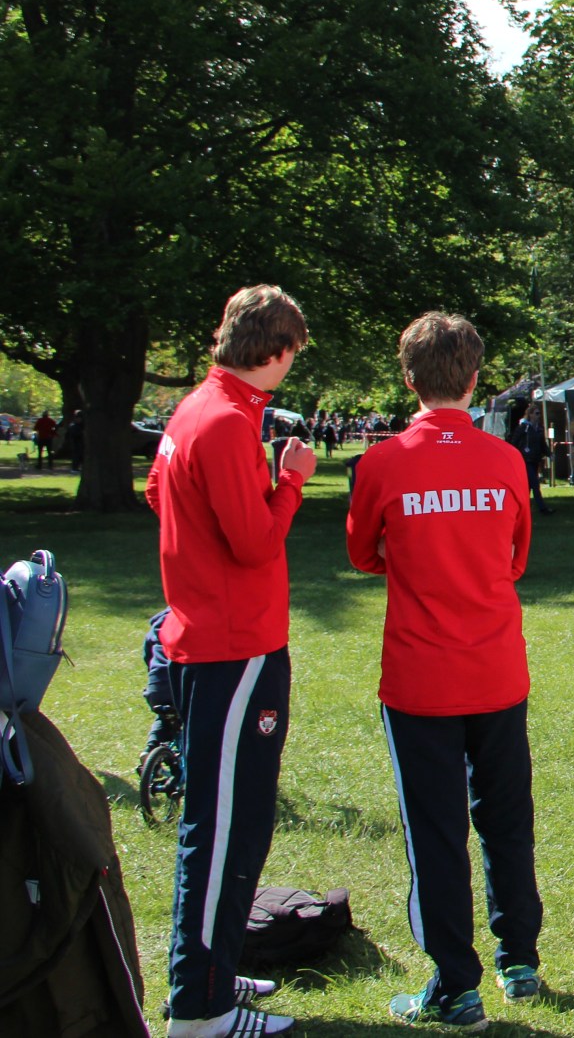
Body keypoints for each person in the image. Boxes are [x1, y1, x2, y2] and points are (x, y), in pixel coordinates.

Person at [345, 312, 542, 1028]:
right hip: (494, 670)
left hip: (422, 679)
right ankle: (519, 958)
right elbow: (516, 557)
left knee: (435, 831)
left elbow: (363, 553)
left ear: (408, 379)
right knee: (506, 820)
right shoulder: (506, 461)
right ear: (475, 377)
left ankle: (457, 984)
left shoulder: (384, 461)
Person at [146, 285, 315, 1038]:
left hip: (209, 635)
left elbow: (157, 489)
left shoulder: (197, 409)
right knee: (223, 828)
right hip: (231, 645)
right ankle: (200, 1006)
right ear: (275, 350)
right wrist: (290, 483)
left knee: (234, 820)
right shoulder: (221, 422)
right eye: (292, 356)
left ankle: (209, 966)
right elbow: (252, 542)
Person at [518, 403, 552, 516]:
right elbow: (515, 441)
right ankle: (542, 508)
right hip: (526, 459)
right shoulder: (524, 427)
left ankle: (523, 508)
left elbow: (542, 443)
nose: (539, 416)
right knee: (535, 484)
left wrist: (549, 454)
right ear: (530, 414)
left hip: (535, 459)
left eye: (539, 414)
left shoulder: (539, 428)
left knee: (527, 486)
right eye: (536, 413)